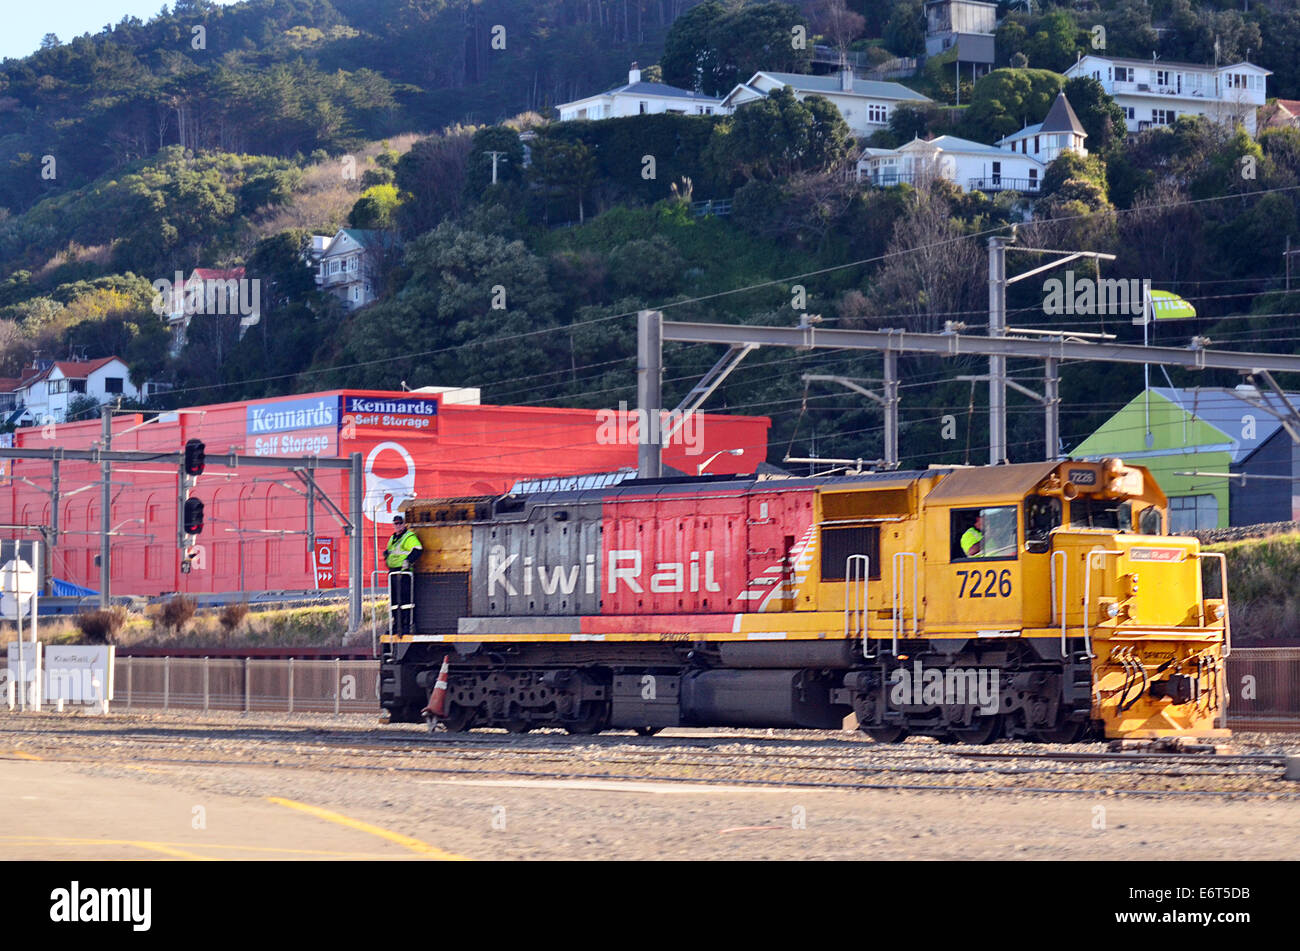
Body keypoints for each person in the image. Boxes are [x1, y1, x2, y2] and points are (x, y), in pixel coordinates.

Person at [385, 515, 423, 635]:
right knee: (395, 601)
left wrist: (408, 561)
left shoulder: (409, 536)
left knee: (404, 599)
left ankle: (406, 625)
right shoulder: (392, 538)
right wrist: (386, 556)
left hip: (403, 572)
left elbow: (418, 549)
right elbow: (390, 551)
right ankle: (397, 624)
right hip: (393, 572)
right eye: (396, 523)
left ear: (404, 524)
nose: (398, 525)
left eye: (400, 523)